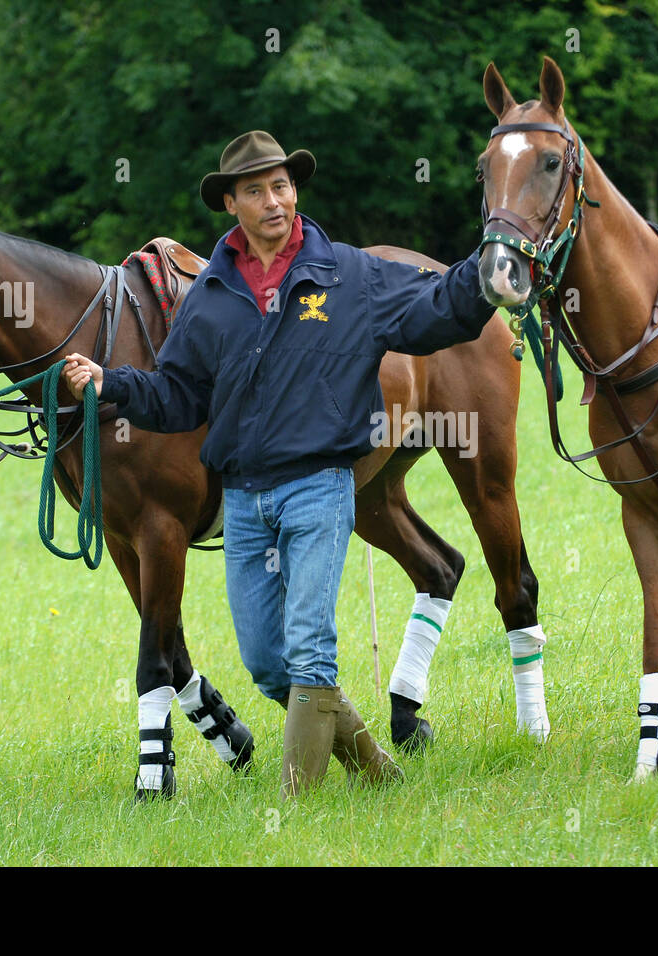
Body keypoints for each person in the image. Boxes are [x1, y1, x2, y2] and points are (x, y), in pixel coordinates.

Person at [63, 130, 494, 798]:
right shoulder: (210, 295)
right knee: (269, 664)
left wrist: (488, 275)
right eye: (258, 189)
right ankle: (375, 768)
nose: (275, 200)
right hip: (245, 500)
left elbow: (438, 309)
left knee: (311, 646)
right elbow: (178, 396)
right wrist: (109, 383)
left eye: (283, 185)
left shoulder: (349, 274)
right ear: (231, 202)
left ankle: (297, 813)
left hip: (320, 488)